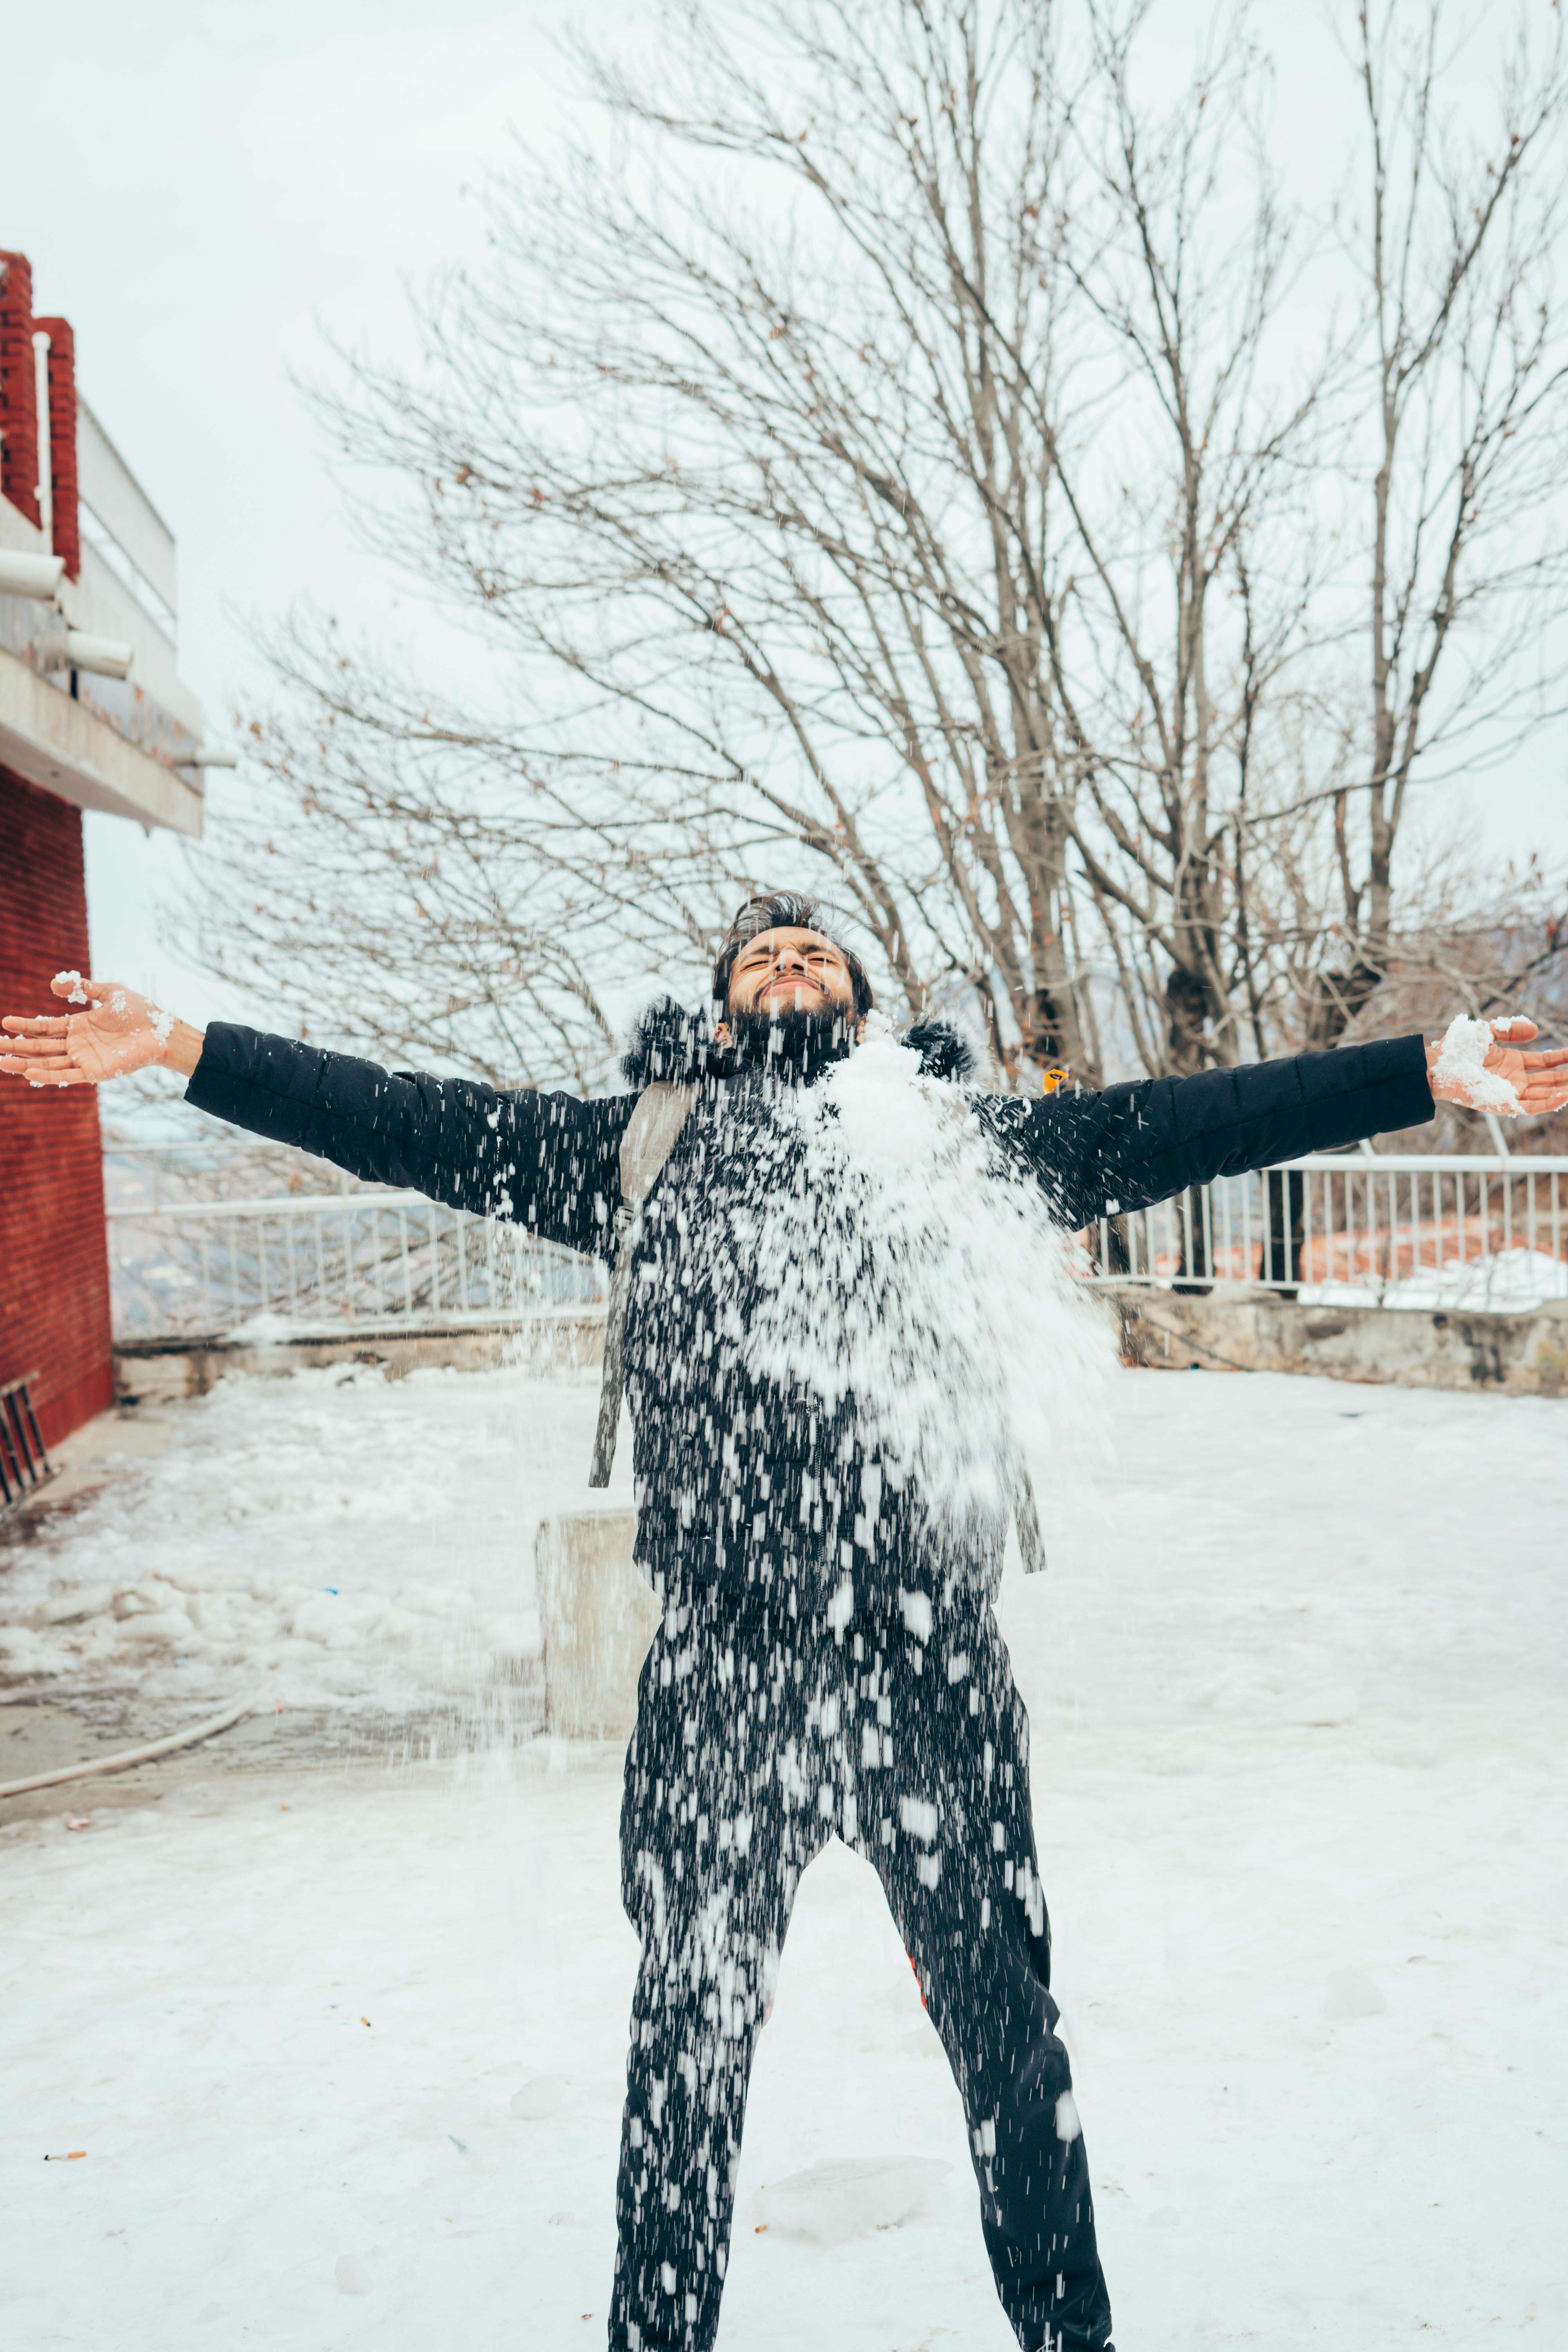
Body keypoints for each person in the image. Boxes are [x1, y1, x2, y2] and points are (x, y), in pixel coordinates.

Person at [5, 898, 1566, 2352]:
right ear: (723, 1007)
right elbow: (404, 1121)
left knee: (1012, 2045)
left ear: (863, 998)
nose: (786, 963)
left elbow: (1191, 1123)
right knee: (685, 2043)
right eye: (759, 957)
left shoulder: (956, 1147)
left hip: (928, 1659)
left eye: (813, 948)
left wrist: (1418, 1069)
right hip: (723, 1663)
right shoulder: (636, 1152)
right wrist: (183, 1049)